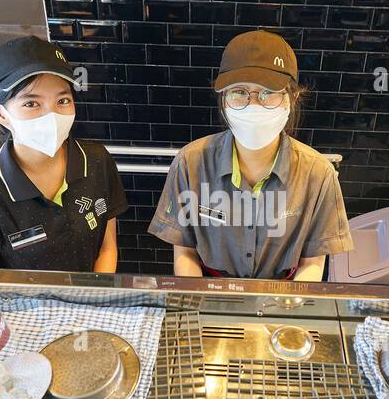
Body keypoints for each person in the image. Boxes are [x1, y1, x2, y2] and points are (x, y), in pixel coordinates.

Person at [148, 30, 352, 280]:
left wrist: (284, 313)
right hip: (210, 292)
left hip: (284, 299)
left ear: (293, 97)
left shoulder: (319, 173)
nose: (254, 105)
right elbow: (185, 253)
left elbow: (313, 263)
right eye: (239, 92)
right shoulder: (190, 163)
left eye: (268, 92)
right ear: (223, 100)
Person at [0, 36, 126, 271]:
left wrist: (96, 299)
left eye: (63, 100)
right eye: (31, 104)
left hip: (91, 300)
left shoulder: (97, 161)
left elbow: (106, 248)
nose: (51, 115)